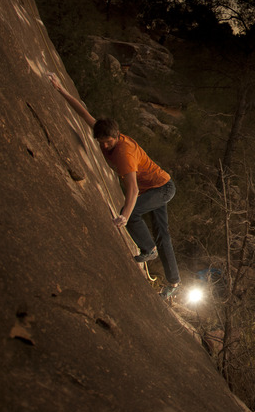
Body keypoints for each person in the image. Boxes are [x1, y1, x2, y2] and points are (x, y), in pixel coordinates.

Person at [49, 73, 180, 298]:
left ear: (116, 136)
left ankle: (149, 251)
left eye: (109, 141)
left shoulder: (124, 154)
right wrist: (61, 89)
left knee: (133, 212)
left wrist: (125, 216)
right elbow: (83, 112)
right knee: (162, 232)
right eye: (102, 141)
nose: (106, 145)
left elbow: (133, 190)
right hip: (157, 186)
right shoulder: (103, 133)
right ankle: (174, 282)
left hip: (163, 188)